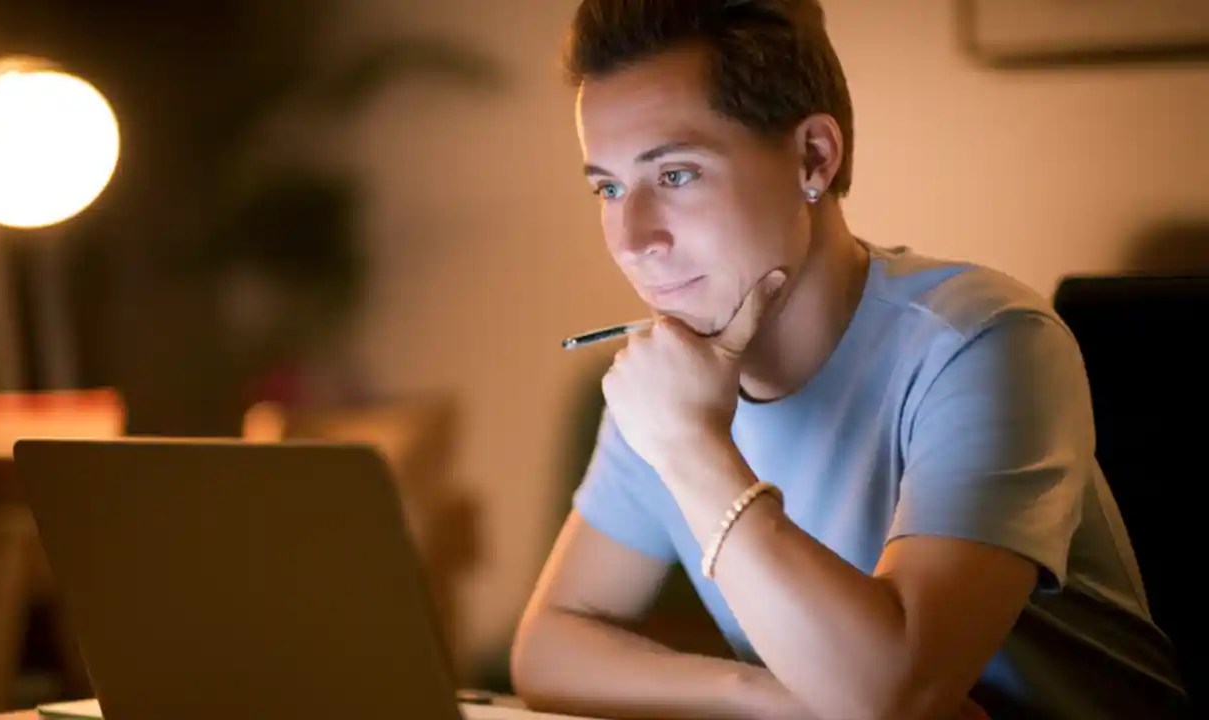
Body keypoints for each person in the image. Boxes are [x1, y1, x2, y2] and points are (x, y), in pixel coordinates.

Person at [509, 1, 1190, 718]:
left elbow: (893, 698)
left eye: (675, 175)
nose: (631, 237)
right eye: (608, 188)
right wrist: (764, 698)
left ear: (814, 157)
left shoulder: (988, 342)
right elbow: (547, 650)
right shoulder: (672, 387)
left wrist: (691, 448)